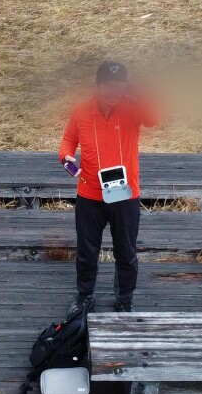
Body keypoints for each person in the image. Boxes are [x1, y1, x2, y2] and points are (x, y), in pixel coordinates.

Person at [59, 61, 158, 317]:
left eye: (118, 85)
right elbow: (69, 139)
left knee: (126, 252)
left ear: (126, 87)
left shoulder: (133, 108)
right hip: (89, 193)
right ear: (98, 85)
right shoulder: (82, 109)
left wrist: (141, 95)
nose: (112, 91)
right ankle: (84, 296)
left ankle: (124, 299)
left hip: (125, 193)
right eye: (107, 85)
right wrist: (66, 157)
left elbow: (153, 119)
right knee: (86, 251)